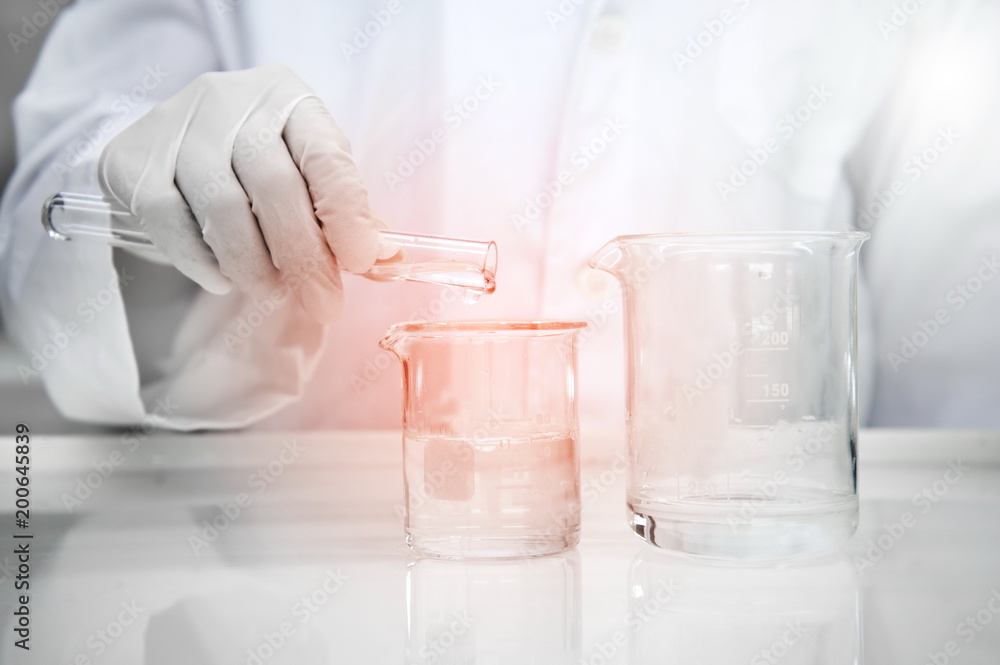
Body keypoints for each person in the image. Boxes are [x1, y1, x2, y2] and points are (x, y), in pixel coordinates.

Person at [1, 0, 998, 430]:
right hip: (295, 588)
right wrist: (139, 178)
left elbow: (959, 372)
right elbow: (51, 212)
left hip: (759, 594)